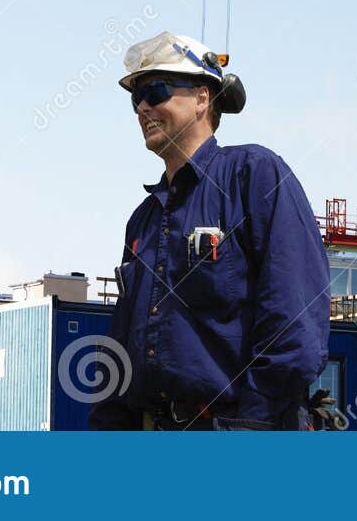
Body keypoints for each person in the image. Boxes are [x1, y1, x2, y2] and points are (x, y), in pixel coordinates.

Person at [90, 31, 329, 430]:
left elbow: (295, 324)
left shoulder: (253, 176)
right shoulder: (143, 220)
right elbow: (120, 344)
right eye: (136, 99)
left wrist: (248, 425)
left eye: (156, 91)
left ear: (202, 98)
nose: (143, 107)